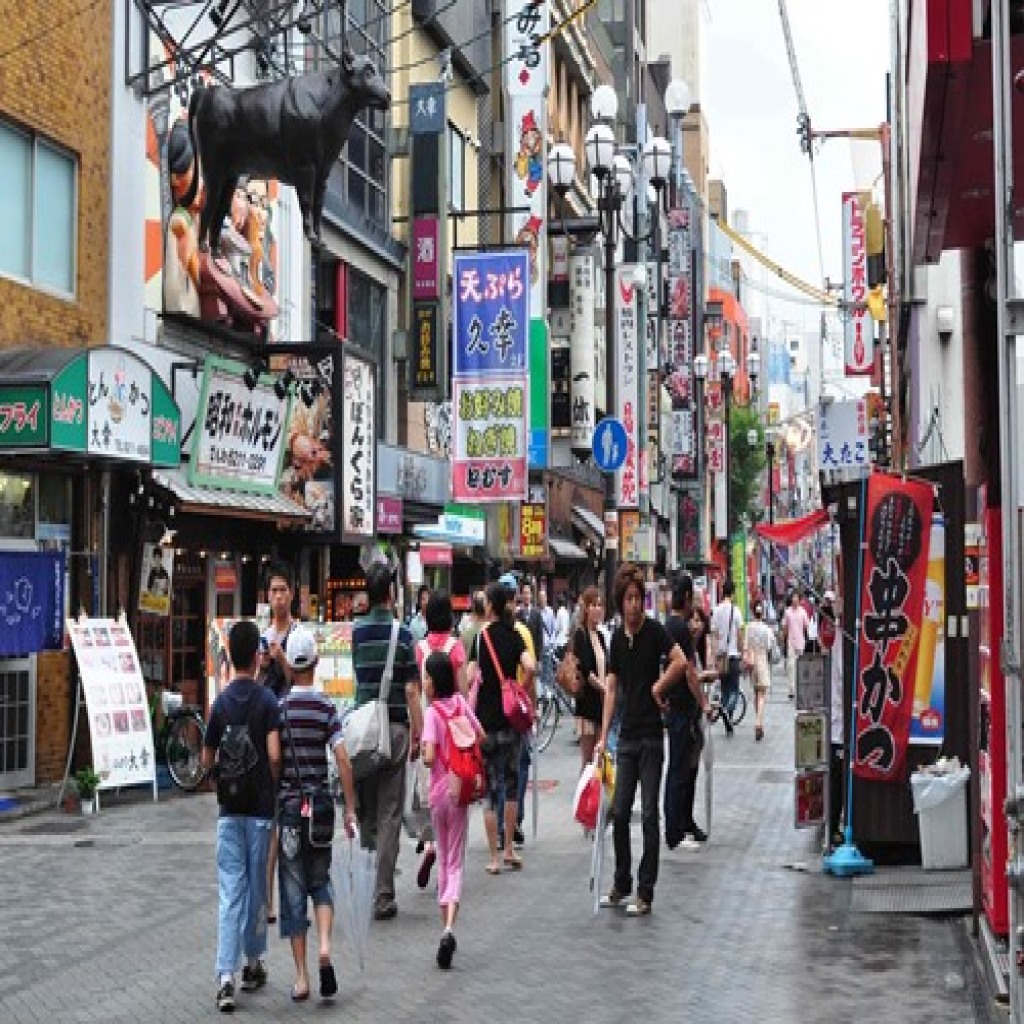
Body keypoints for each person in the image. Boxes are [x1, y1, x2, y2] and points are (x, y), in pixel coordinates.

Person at [596, 564, 688, 917]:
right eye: (628, 599)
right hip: (627, 737)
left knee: (649, 813)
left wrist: (658, 686)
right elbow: (612, 687)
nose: (634, 606)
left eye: (638, 599)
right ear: (620, 603)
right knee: (619, 812)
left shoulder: (655, 632)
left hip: (651, 736)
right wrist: (604, 736)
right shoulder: (617, 638)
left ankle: (645, 891)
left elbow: (679, 662)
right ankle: (621, 882)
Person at [201, 620, 282, 1013]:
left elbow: (206, 757)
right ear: (256, 656)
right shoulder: (267, 702)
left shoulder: (220, 703)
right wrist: (272, 782)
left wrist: (218, 773)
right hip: (261, 809)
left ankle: (225, 976)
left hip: (228, 810)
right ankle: (252, 963)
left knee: (230, 891)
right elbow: (274, 754)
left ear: (230, 655)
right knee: (256, 890)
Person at [277, 627, 357, 1003]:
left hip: (291, 810)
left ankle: (302, 976)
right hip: (322, 811)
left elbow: (274, 759)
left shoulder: (281, 709)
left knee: (293, 893)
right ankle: (325, 945)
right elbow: (342, 760)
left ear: (290, 667)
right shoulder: (327, 707)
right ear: (317, 662)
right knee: (320, 882)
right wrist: (351, 810)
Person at [351, 562, 421, 921]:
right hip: (394, 730)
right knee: (390, 811)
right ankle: (382, 894)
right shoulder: (405, 635)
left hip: (363, 731)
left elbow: (358, 678)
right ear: (391, 594)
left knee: (365, 809)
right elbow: (411, 690)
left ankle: (364, 883)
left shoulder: (357, 634)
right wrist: (418, 733)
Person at [420, 650, 486, 970]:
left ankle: (443, 924)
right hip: (460, 790)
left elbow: (430, 757)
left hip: (437, 793)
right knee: (456, 859)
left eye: (427, 677)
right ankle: (449, 928)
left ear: (435, 681)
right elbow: (481, 735)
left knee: (444, 858)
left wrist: (425, 749)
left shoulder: (432, 713)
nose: (425, 683)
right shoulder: (460, 704)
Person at [466, 580, 536, 873]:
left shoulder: (481, 638)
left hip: (485, 722)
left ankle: (493, 858)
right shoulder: (514, 634)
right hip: (510, 720)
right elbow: (531, 665)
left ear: (489, 606)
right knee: (510, 786)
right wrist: (519, 687)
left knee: (489, 792)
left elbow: (470, 676)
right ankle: (509, 849)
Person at [413, 591, 468, 889]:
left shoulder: (419, 648)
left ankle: (432, 844)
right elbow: (460, 692)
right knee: (454, 795)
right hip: (454, 735)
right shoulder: (455, 647)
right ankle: (449, 866)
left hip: (428, 729)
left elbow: (415, 690)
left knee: (431, 794)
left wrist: (416, 733)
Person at [661, 575, 712, 848]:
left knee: (687, 768)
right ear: (687, 597)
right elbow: (688, 670)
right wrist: (703, 701)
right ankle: (674, 830)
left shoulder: (669, 626)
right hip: (681, 708)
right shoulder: (678, 627)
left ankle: (684, 821)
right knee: (680, 769)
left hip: (678, 706)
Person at [258, 561, 297, 925]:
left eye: (283, 590)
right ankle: (268, 900)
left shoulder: (298, 636)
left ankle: (292, 897)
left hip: (291, 732)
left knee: (292, 821)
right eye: (274, 591)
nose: (279, 597)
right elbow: (255, 682)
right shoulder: (263, 635)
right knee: (270, 821)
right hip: (267, 731)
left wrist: (282, 659)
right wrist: (261, 663)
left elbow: (300, 680)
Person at [566, 586, 607, 774]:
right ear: (587, 609)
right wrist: (604, 689)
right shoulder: (581, 634)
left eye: (600, 605)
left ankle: (597, 798)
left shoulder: (600, 635)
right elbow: (586, 669)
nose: (598, 609)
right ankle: (585, 800)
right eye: (594, 605)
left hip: (602, 704)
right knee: (588, 759)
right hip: (587, 703)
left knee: (600, 758)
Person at [711, 580, 744, 735]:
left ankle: (728, 721)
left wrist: (714, 655)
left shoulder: (716, 611)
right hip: (733, 656)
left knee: (725, 690)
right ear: (732, 593)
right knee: (734, 691)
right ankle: (727, 711)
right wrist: (742, 652)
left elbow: (715, 635)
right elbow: (739, 635)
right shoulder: (736, 611)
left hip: (721, 656)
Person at [743, 600, 776, 741]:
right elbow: (770, 646)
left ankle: (759, 721)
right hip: (762, 660)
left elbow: (745, 645)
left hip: (751, 660)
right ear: (762, 613)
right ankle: (758, 722)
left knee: (756, 693)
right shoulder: (766, 629)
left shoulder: (748, 627)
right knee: (762, 694)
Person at [782, 590, 811, 699]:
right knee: (790, 666)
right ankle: (791, 690)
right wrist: (784, 639)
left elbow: (806, 626)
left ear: (799, 600)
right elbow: (785, 627)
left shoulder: (803, 612)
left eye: (796, 598)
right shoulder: (787, 612)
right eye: (793, 598)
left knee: (800, 666)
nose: (794, 600)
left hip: (800, 642)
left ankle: (800, 688)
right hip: (790, 642)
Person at [458, 591, 486, 678]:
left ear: (473, 609)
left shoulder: (465, 635)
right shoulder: (493, 633)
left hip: (470, 685)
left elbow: (460, 665)